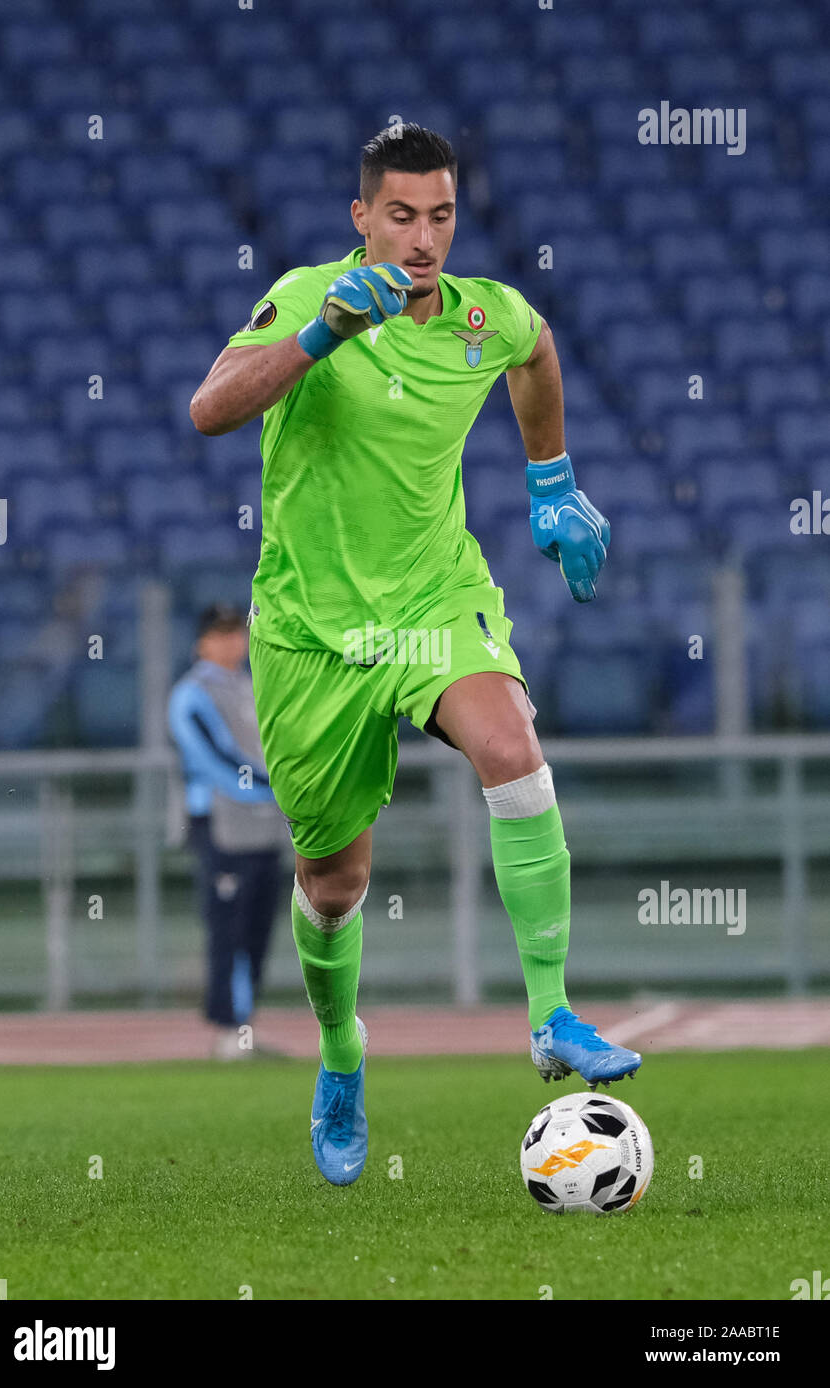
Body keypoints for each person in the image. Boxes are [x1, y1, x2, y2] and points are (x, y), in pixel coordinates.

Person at [190, 123, 641, 1180]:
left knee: (512, 748)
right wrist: (318, 340)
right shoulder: (312, 295)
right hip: (311, 634)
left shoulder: (484, 313)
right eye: (401, 215)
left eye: (439, 214)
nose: (423, 236)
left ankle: (548, 1013)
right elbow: (209, 408)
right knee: (335, 880)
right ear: (362, 218)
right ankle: (342, 1051)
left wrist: (549, 480)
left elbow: (534, 349)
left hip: (435, 599)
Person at [168, 604, 284, 1058]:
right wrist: (277, 789)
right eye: (222, 634)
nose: (233, 642)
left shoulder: (250, 687)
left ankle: (244, 1028)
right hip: (220, 824)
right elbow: (213, 760)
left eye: (237, 632)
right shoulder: (191, 694)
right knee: (228, 928)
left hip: (262, 825)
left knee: (258, 927)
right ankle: (229, 1028)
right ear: (202, 642)